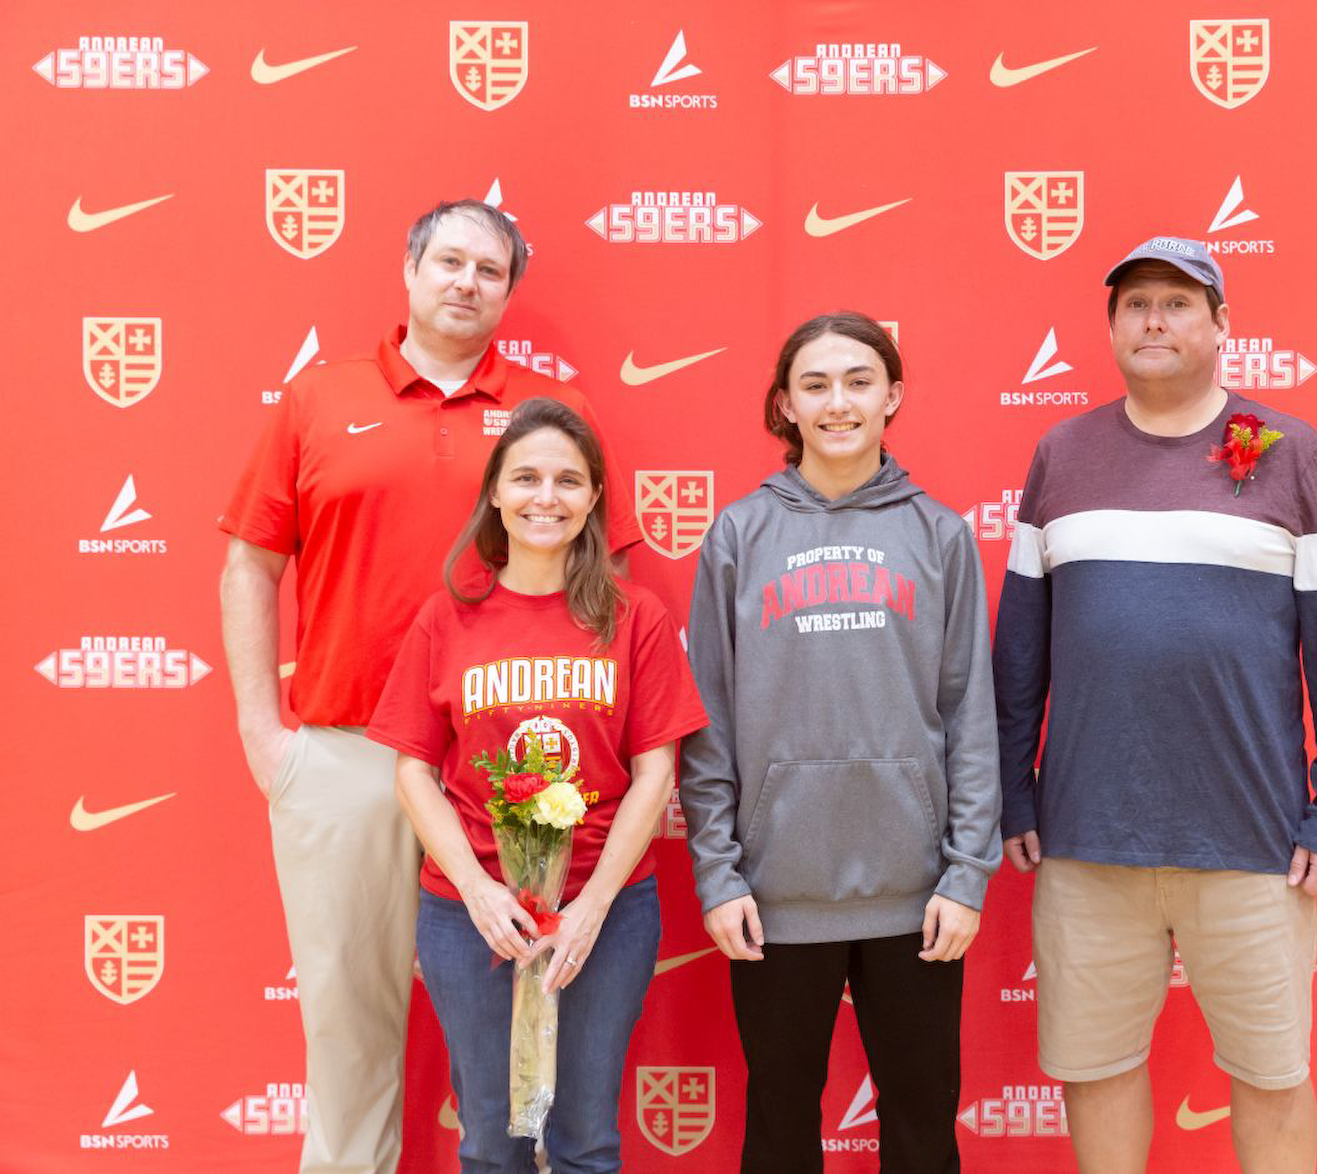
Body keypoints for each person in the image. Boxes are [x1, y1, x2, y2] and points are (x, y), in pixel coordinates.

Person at [218, 200, 640, 1174]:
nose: (465, 282)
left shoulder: (547, 414)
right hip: (349, 750)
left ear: (509, 293)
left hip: (513, 775)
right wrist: (263, 733)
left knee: (528, 1020)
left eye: (489, 271)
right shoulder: (318, 400)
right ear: (409, 268)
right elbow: (247, 564)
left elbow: (603, 585)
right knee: (348, 1018)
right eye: (448, 261)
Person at [992, 236, 1317, 1174]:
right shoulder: (1061, 454)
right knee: (1096, 1071)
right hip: (1087, 840)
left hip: (1252, 845)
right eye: (1134, 305)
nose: (1153, 320)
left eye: (1175, 302)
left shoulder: (1293, 455)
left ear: (1219, 325)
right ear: (1113, 326)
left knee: (1273, 1075)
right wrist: (1014, 793)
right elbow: (1020, 653)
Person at [679, 311, 1002, 1174]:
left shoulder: (940, 536)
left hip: (919, 899)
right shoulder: (739, 536)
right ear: (784, 404)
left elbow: (971, 715)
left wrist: (967, 873)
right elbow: (705, 726)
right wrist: (717, 871)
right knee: (780, 1127)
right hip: (775, 898)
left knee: (924, 1126)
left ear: (893, 395)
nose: (838, 403)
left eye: (858, 381)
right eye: (814, 385)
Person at [365, 397, 707, 1172]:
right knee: (494, 1142)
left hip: (606, 913)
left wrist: (590, 910)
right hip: (470, 918)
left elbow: (657, 771)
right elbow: (414, 771)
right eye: (525, 478)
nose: (544, 497)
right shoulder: (446, 619)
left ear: (593, 499)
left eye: (567, 480)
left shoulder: (635, 618)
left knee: (587, 1141)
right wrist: (480, 894)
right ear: (494, 492)